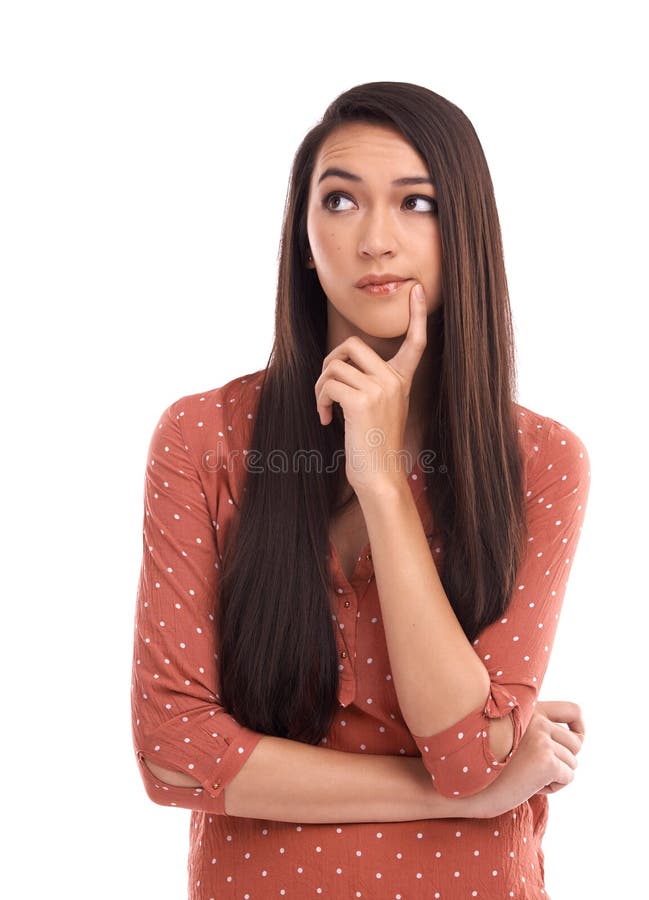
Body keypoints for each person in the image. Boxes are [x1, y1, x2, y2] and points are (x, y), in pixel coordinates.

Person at [130, 81, 591, 899]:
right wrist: (465, 795)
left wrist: (378, 478)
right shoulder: (205, 438)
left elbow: (459, 748)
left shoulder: (540, 461)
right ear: (304, 240)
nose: (376, 239)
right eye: (339, 200)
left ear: (465, 235)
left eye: (416, 203)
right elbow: (173, 752)